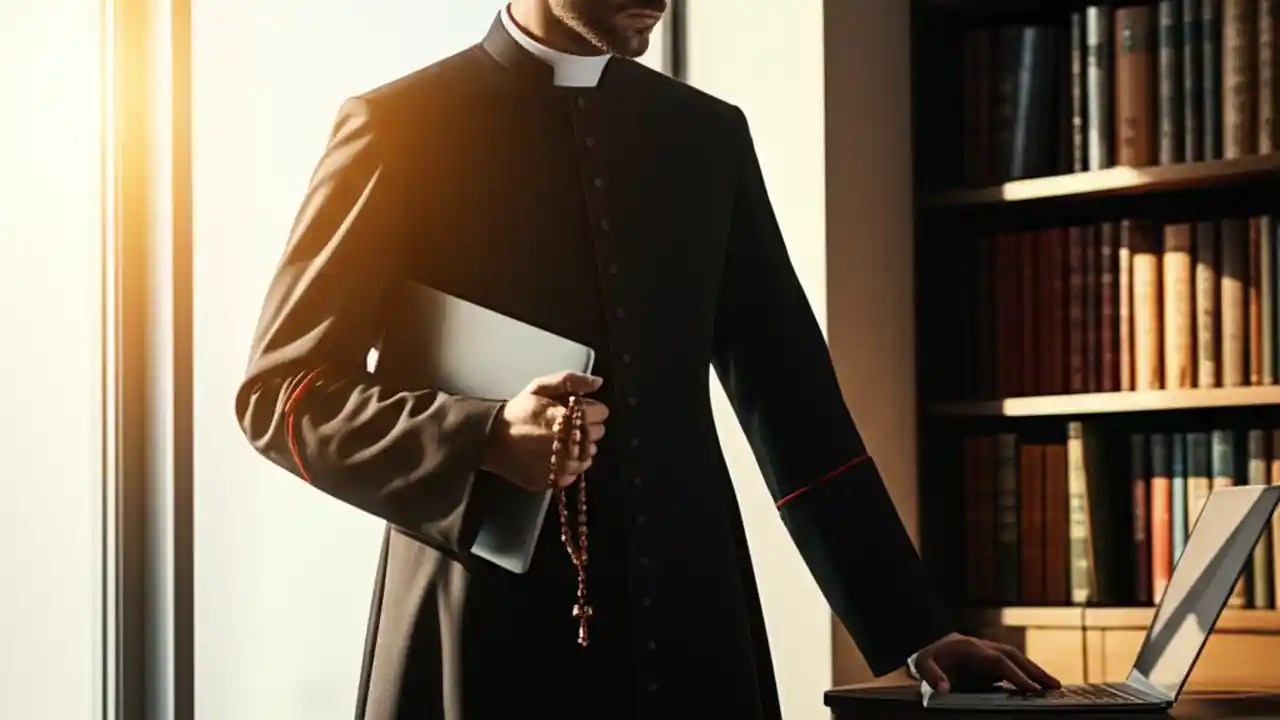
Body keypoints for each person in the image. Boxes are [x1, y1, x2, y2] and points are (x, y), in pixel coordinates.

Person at [234, 1, 1061, 718]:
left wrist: (913, 629)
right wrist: (483, 435)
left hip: (693, 618)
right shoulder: (400, 126)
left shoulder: (706, 136)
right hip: (478, 627)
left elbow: (794, 401)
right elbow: (281, 394)